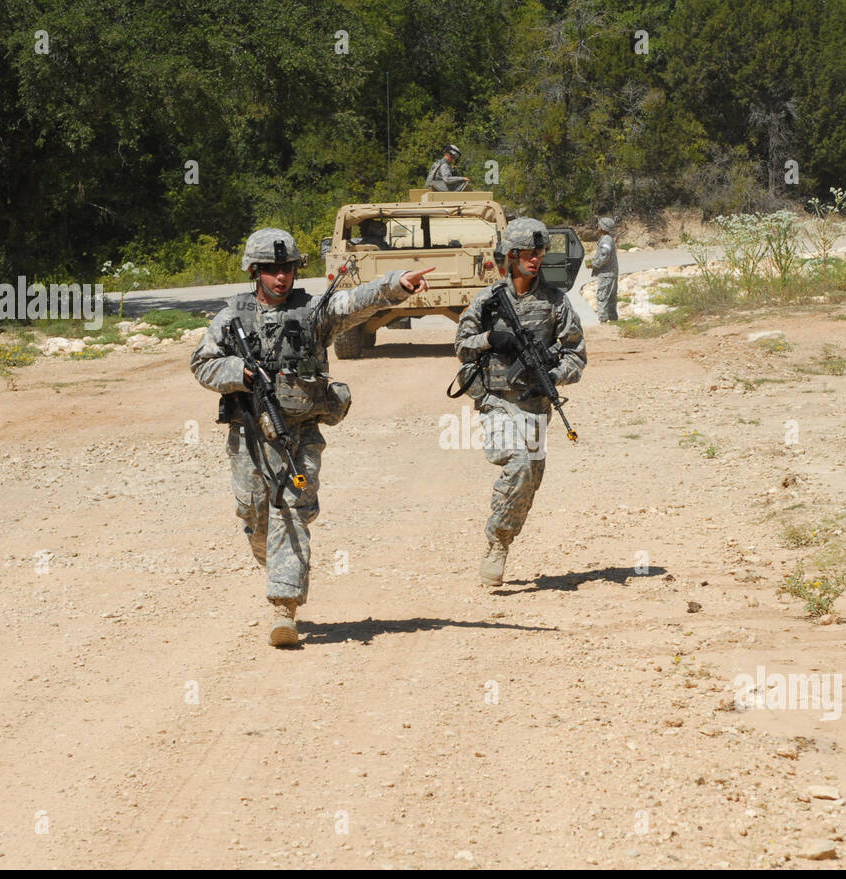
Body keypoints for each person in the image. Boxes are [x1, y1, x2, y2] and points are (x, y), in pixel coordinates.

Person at [190, 228, 433, 647]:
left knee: (294, 509)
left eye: (286, 268)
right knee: (254, 516)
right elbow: (201, 364)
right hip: (249, 433)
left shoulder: (314, 311)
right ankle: (279, 563)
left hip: (301, 432)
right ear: (255, 271)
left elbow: (354, 302)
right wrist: (240, 373)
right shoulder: (231, 317)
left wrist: (397, 284)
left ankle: (284, 607)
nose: (281, 277)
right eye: (271, 270)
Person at [453, 218, 587, 587]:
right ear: (510, 257)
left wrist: (553, 377)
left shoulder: (556, 302)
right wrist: (491, 340)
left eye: (540, 252)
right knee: (519, 461)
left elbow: (576, 354)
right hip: (495, 400)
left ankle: (505, 537)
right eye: (528, 253)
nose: (536, 259)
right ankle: (496, 543)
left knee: (529, 481)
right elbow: (461, 346)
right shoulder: (487, 301)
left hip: (535, 404)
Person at [589, 216, 619, 323]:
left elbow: (605, 255)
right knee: (611, 298)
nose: (597, 226)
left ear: (601, 228)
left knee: (602, 297)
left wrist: (594, 264)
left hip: (606, 274)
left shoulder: (606, 239)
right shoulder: (608, 239)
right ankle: (613, 320)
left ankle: (603, 321)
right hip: (610, 273)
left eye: (599, 225)